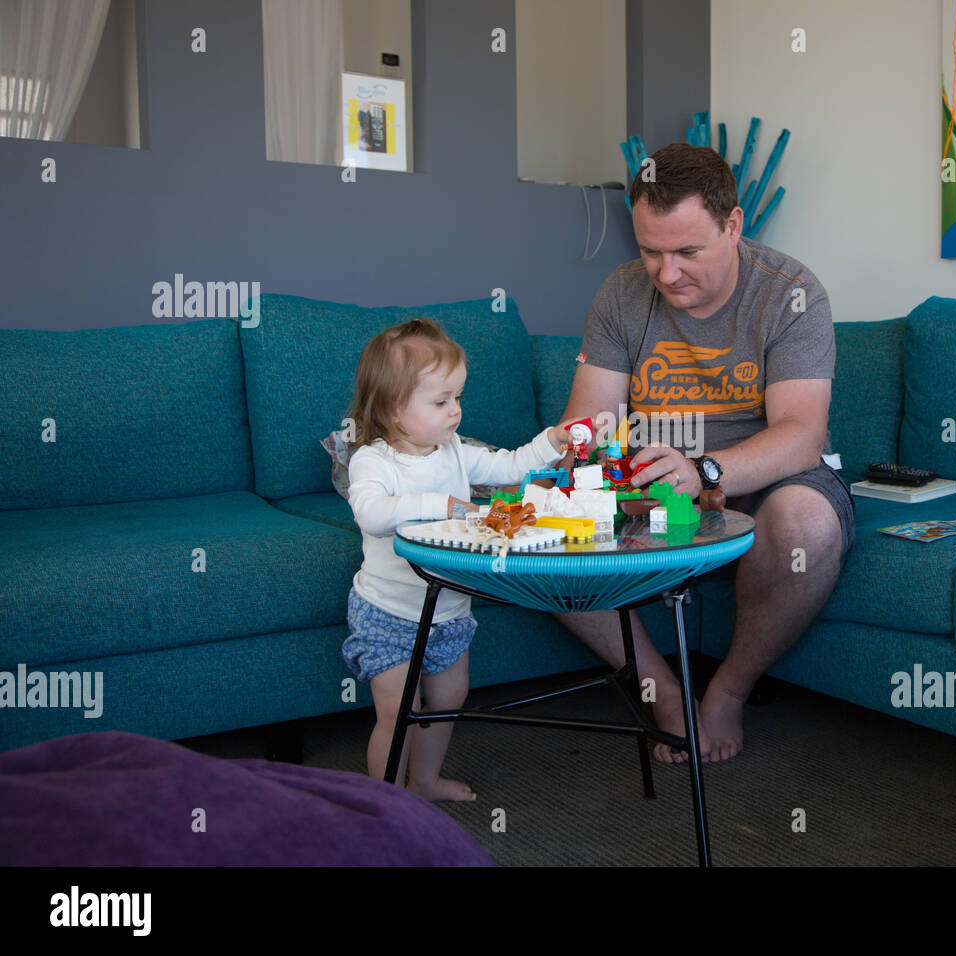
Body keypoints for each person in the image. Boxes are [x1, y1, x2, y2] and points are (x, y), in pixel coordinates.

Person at [554, 142, 855, 763]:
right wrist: (579, 459)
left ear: (733, 226)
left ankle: (726, 694)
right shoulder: (621, 294)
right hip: (653, 489)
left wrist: (704, 472)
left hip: (769, 479)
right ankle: (664, 692)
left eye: (688, 251)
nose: (666, 274)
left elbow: (801, 434)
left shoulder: (791, 292)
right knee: (549, 529)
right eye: (650, 250)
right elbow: (588, 421)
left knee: (804, 523)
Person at [343, 318, 572, 799]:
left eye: (458, 398)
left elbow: (510, 467)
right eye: (442, 401)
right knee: (398, 711)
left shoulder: (456, 451)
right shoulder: (374, 460)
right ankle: (387, 804)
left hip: (449, 610)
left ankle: (424, 783)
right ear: (394, 409)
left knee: (448, 702)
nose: (456, 412)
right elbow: (371, 515)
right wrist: (437, 505)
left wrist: (550, 443)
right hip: (388, 612)